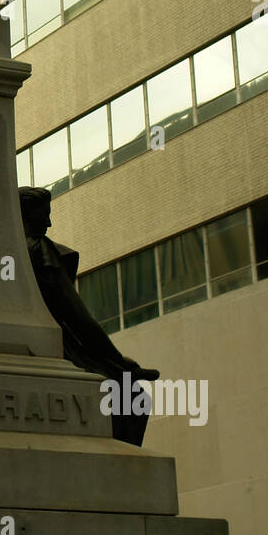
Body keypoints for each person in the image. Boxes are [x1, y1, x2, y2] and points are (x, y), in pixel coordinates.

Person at [19, 187, 159, 446]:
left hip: (30, 343)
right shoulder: (38, 249)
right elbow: (76, 316)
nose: (49, 223)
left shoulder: (8, 253)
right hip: (57, 347)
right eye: (44, 215)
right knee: (133, 398)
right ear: (26, 215)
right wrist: (118, 361)